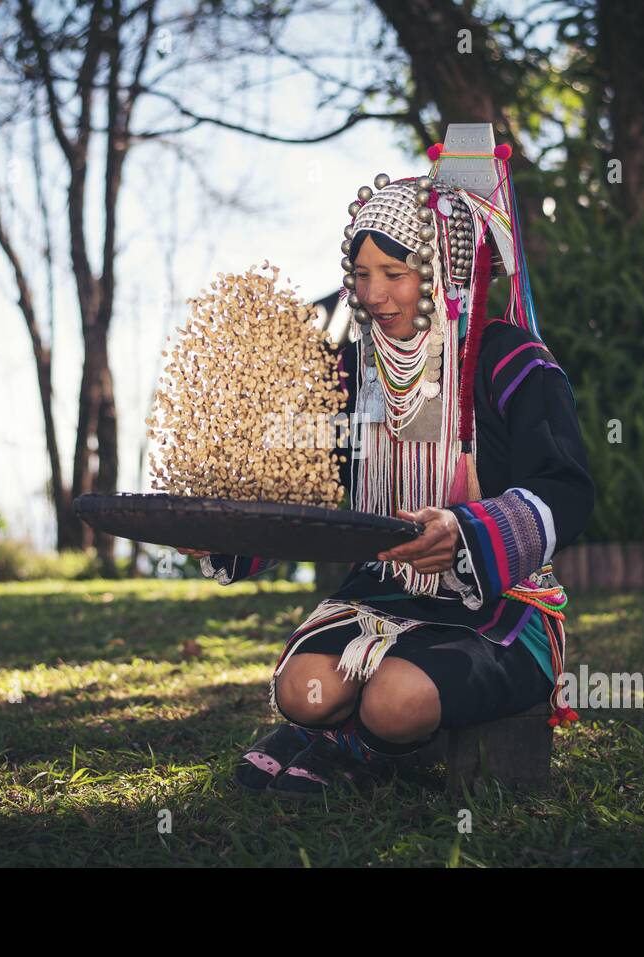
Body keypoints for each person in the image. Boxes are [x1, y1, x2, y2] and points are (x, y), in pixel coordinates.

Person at [182, 134, 594, 800]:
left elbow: (566, 490)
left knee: (394, 698)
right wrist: (227, 534)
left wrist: (464, 532)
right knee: (301, 688)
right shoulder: (353, 370)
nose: (373, 294)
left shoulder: (508, 360)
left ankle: (350, 750)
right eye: (362, 273)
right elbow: (312, 492)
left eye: (394, 273)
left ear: (440, 270)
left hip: (496, 605)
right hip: (379, 597)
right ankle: (327, 735)